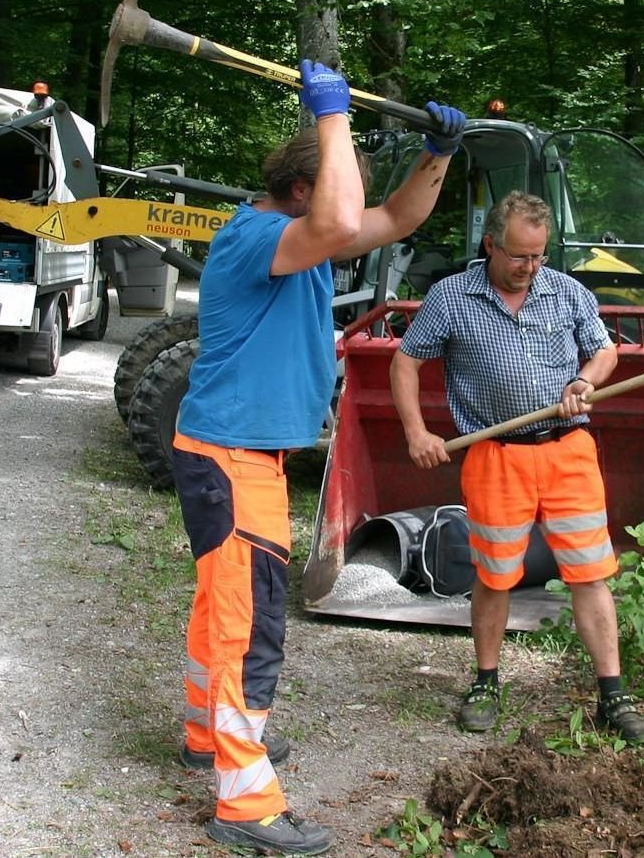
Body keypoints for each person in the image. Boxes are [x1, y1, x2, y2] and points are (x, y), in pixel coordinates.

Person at [172, 59, 466, 856]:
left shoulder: (295, 238)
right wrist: (331, 113)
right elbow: (341, 222)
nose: (349, 206)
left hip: (235, 455)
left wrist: (436, 154)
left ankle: (209, 735)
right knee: (248, 628)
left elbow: (392, 220)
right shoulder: (257, 238)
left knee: (222, 613)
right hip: (230, 457)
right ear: (302, 190)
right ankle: (245, 804)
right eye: (336, 183)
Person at [389, 191, 644, 744]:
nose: (529, 267)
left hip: (567, 451)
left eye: (538, 256)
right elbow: (405, 360)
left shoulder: (565, 291)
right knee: (495, 575)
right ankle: (486, 682)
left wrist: (585, 381)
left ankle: (613, 693)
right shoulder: (452, 297)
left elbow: (604, 351)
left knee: (590, 572)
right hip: (495, 457)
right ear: (491, 243)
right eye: (518, 256)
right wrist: (417, 431)